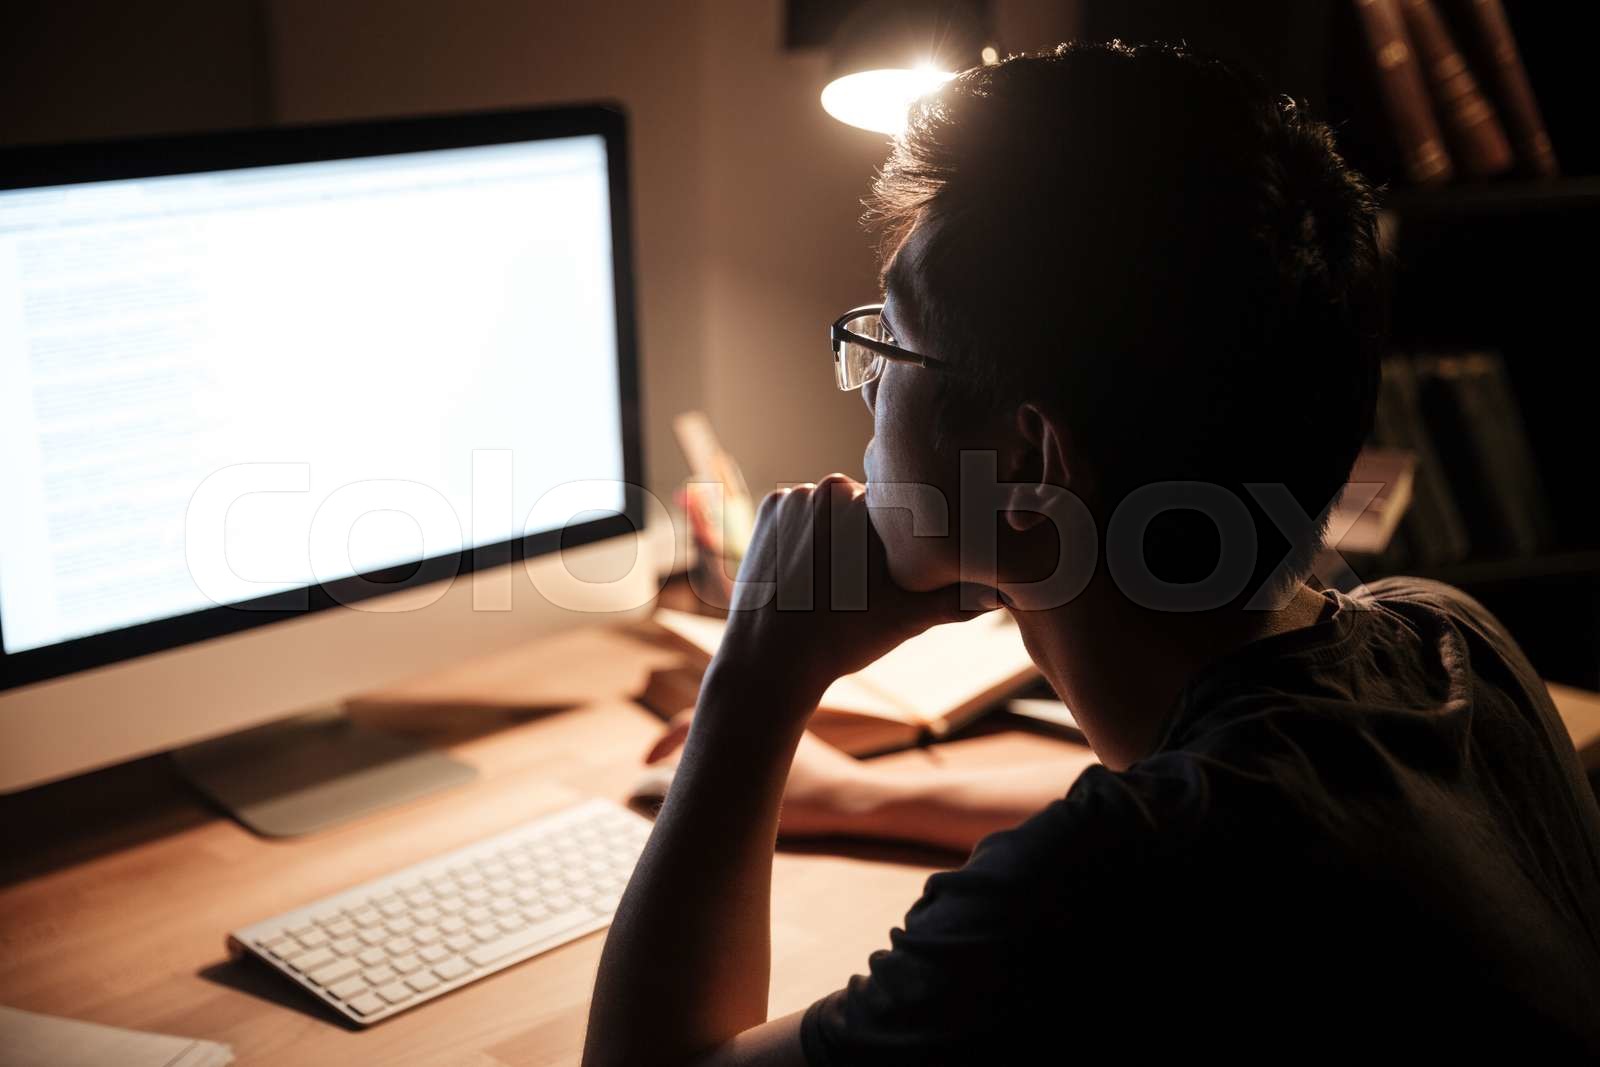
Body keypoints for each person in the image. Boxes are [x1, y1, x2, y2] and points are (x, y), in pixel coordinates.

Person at [582, 41, 1600, 1064]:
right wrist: (864, 796)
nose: (868, 387)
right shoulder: (1445, 643)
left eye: (886, 342)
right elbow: (1199, 805)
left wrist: (757, 680)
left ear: (1029, 464)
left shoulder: (1095, 896)